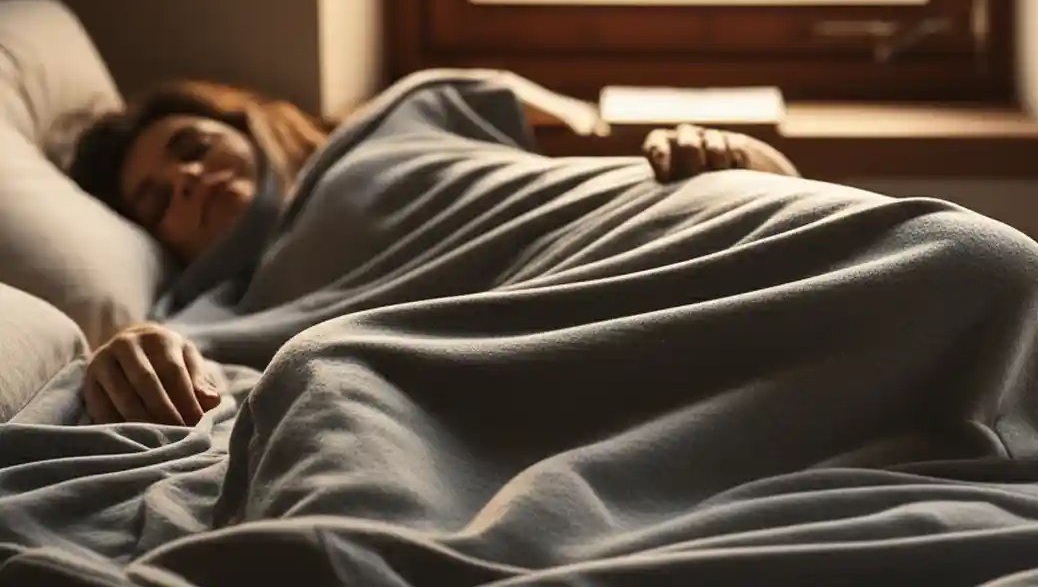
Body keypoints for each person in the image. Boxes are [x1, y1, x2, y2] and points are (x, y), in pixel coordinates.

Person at [68, 80, 801, 426]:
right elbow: (158, 371)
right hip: (582, 355)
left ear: (242, 122)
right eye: (159, 199)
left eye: (192, 148)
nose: (189, 180)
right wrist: (129, 345)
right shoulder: (212, 316)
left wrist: (741, 159)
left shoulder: (405, 111)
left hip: (680, 225)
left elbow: (591, 133)